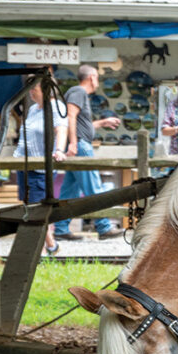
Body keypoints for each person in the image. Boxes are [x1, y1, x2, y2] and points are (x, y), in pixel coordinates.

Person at [54, 64, 124, 240]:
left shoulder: (77, 93)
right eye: (97, 77)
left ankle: (61, 228)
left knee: (69, 192)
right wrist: (74, 143)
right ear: (92, 77)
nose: (98, 81)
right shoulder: (78, 92)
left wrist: (102, 123)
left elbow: (80, 123)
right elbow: (71, 116)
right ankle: (103, 227)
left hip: (80, 144)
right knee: (94, 187)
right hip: (81, 147)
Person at [13, 76, 69, 255]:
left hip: (39, 168)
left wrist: (60, 150)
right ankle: (51, 246)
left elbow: (61, 128)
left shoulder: (56, 107)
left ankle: (43, 248)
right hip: (25, 165)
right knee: (29, 206)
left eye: (33, 88)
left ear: (45, 89)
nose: (30, 92)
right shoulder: (33, 109)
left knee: (36, 209)